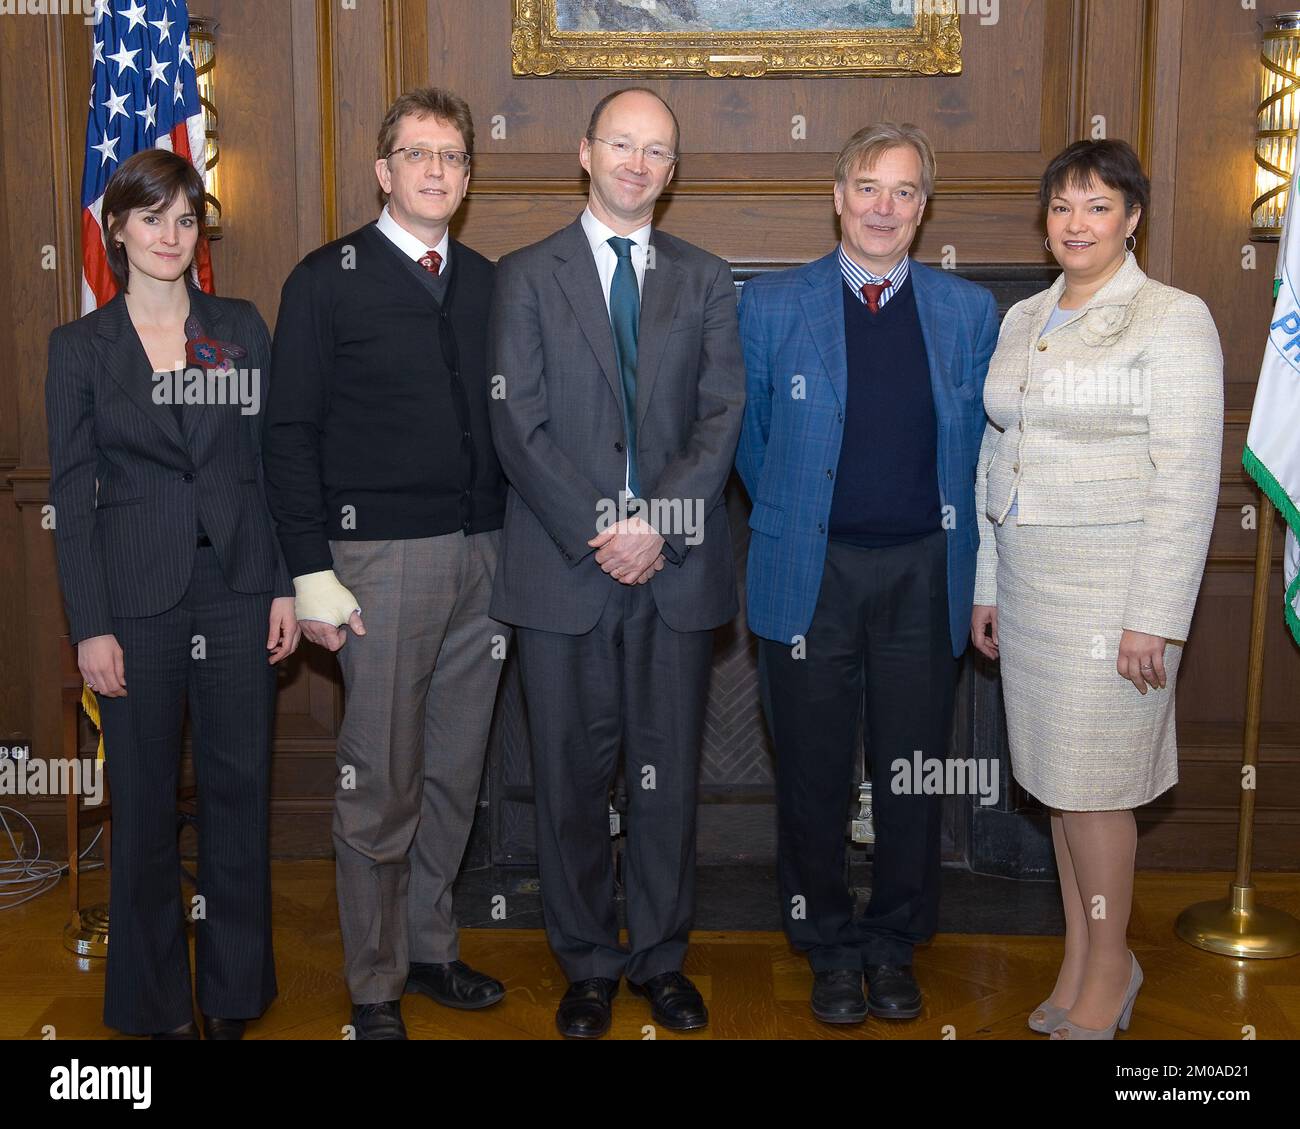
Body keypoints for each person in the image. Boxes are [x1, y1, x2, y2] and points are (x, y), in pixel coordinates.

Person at [488, 88, 745, 1039]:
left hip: (672, 571)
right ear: (584, 153)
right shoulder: (525, 274)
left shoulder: (708, 277)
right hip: (566, 568)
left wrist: (657, 526)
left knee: (664, 777)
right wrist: (606, 525)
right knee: (569, 778)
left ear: (673, 172)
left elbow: (722, 416)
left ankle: (661, 959)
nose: (639, 163)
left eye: (658, 151)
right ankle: (588, 962)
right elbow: (517, 422)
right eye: (623, 144)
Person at [736, 123, 999, 1025]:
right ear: (837, 195)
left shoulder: (968, 312)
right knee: (810, 772)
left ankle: (893, 942)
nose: (885, 208)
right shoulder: (771, 306)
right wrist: (809, 519)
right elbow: (754, 440)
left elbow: (977, 451)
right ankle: (827, 946)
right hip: (812, 570)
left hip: (927, 571)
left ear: (924, 208)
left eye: (905, 192)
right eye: (869, 188)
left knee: (913, 772)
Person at [263, 88, 508, 1040]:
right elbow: (287, 436)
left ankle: (432, 946)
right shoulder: (326, 279)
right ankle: (373, 983)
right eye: (418, 155)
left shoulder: (489, 279)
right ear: (384, 170)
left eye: (452, 156)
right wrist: (308, 574)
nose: (436, 170)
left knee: (453, 770)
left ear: (467, 177)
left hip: (483, 556)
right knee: (379, 777)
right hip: (373, 566)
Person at [970, 139, 1223, 1039]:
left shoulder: (1171, 316)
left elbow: (1188, 477)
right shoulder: (1024, 317)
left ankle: (1113, 965)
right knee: (1056, 784)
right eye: (1063, 207)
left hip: (1117, 594)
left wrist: (1153, 616)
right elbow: (999, 453)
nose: (1076, 223)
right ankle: (1081, 954)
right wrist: (988, 584)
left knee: (1096, 788)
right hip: (1032, 587)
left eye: (1098, 206)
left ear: (1133, 218)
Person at [46, 149, 298, 1040]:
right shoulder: (79, 350)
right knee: (144, 807)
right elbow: (70, 500)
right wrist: (91, 627)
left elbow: (269, 470)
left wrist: (280, 588)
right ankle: (152, 1006)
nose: (170, 236)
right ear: (116, 228)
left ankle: (233, 994)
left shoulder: (240, 327)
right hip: (136, 608)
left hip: (235, 595)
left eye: (186, 219)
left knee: (239, 800)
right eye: (152, 218)